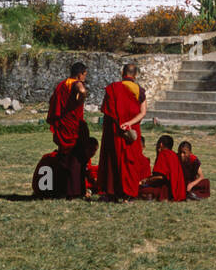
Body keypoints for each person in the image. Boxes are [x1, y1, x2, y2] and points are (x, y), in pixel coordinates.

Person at [97, 63, 148, 200]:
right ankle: (129, 194)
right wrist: (129, 123)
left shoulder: (113, 89)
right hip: (131, 132)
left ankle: (111, 193)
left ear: (122, 73)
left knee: (112, 159)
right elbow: (143, 112)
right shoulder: (139, 90)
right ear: (135, 75)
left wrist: (119, 124)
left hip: (114, 131)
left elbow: (106, 111)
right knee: (130, 161)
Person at [44, 62, 92, 200]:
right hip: (73, 126)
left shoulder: (61, 85)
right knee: (76, 159)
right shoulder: (75, 83)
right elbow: (81, 90)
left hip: (63, 125)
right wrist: (81, 99)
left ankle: (62, 190)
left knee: (64, 158)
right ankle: (74, 192)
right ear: (79, 74)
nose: (84, 78)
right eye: (84, 75)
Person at [139, 134, 186, 201]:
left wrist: (147, 180)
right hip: (180, 192)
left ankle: (150, 195)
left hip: (168, 190)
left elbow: (162, 177)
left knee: (141, 189)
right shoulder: (173, 155)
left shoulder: (163, 154)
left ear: (161, 144)